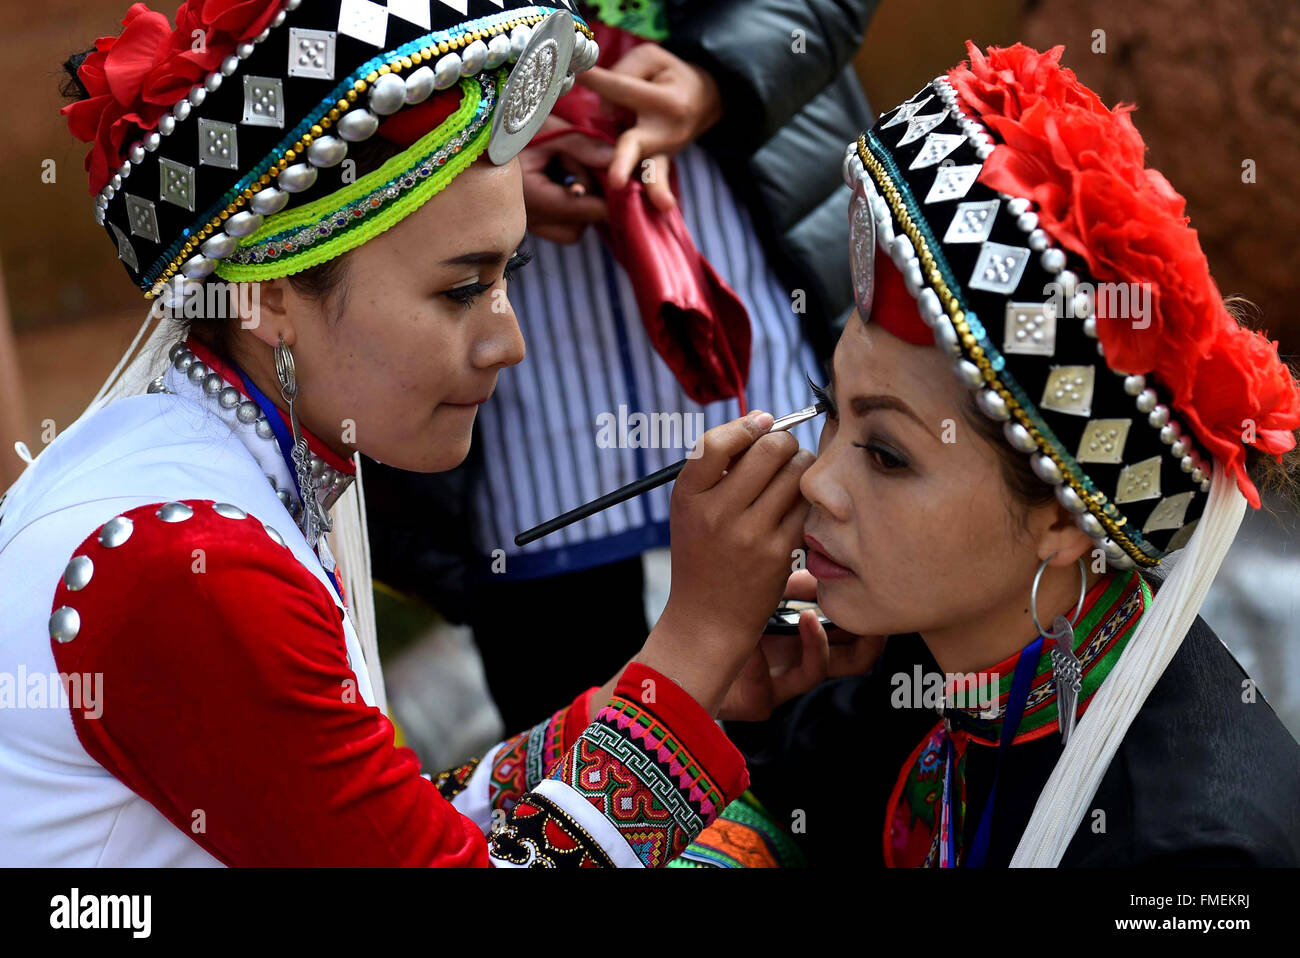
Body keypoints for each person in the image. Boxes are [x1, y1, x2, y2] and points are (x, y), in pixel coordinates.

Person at [0, 0, 819, 868]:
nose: (512, 342)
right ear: (270, 298)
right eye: (461, 291)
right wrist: (691, 651)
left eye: (513, 275)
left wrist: (684, 683)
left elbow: (388, 822)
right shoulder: (192, 570)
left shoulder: (215, 463)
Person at [686, 41, 1300, 867]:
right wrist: (716, 695)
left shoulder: (1194, 857)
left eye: (889, 456)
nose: (818, 480)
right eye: (832, 413)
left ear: (1061, 521)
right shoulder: (910, 661)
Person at [362, 0, 881, 732]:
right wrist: (468, 154)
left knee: (830, 728)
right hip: (521, 411)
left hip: (755, 289)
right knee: (577, 764)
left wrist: (720, 74)